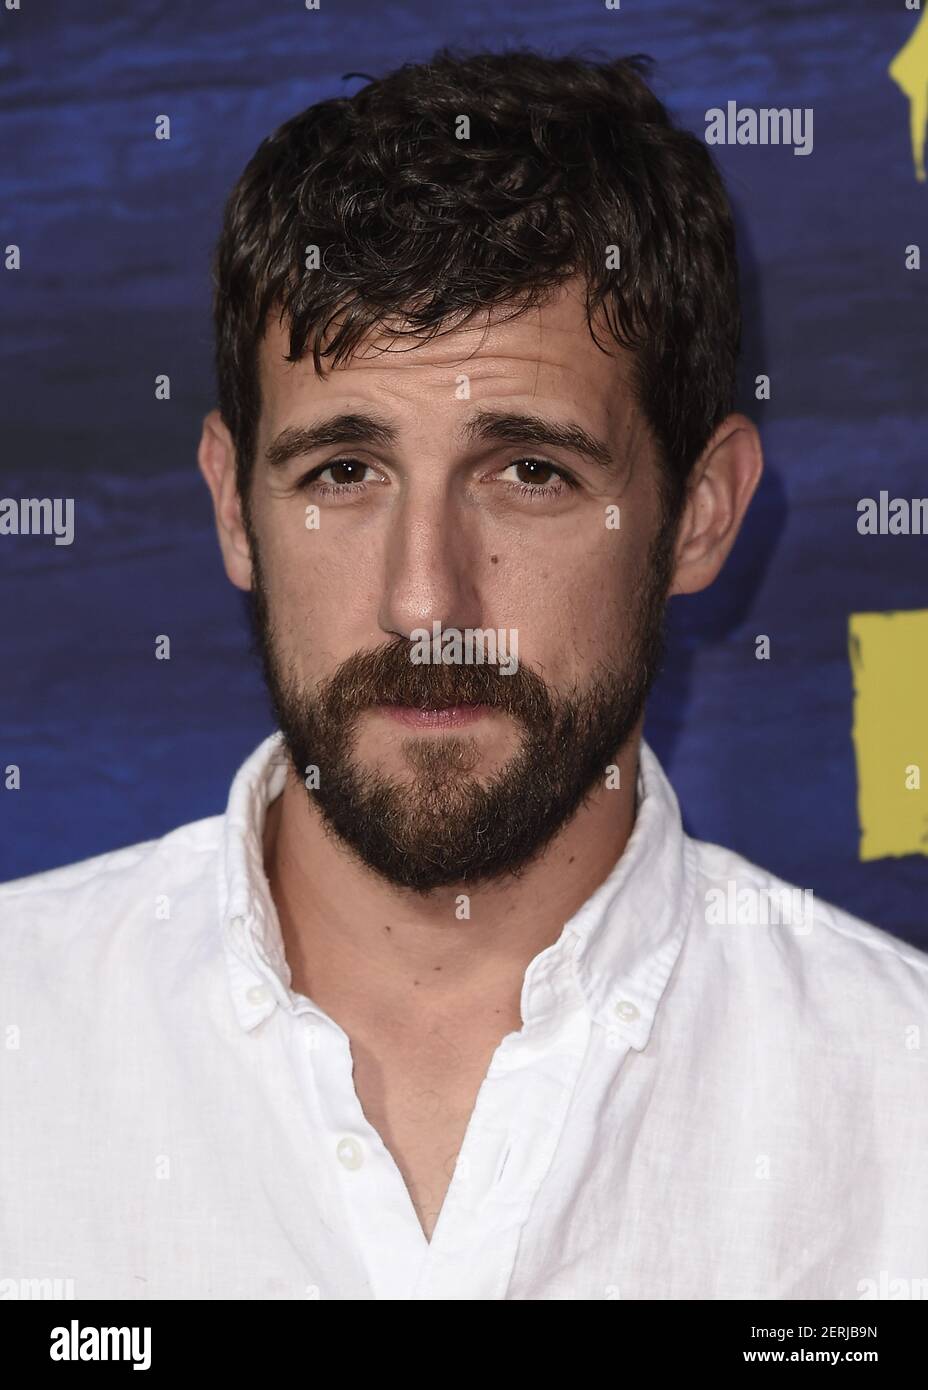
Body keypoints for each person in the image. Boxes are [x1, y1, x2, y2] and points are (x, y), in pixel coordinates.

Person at [2, 48, 925, 1302]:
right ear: (232, 508)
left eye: (529, 473)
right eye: (343, 472)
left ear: (701, 514)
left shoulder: (900, 1108)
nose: (425, 600)